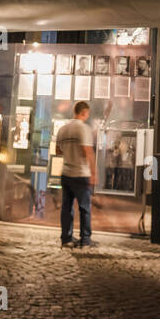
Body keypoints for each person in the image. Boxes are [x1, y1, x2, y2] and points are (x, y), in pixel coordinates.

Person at [56, 101, 96, 248]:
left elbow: (58, 151)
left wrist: (69, 152)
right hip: (81, 173)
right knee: (84, 208)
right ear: (84, 113)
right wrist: (94, 174)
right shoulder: (84, 129)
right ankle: (85, 240)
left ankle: (66, 239)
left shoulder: (63, 129)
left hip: (66, 173)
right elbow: (88, 152)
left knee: (66, 207)